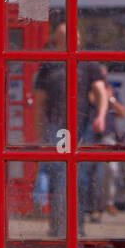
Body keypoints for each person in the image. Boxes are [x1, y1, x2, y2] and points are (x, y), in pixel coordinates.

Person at [31, 22, 109, 237]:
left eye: (74, 36)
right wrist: (39, 132)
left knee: (79, 177)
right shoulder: (48, 66)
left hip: (81, 126)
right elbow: (40, 102)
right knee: (58, 175)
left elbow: (101, 91)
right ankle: (58, 226)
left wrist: (101, 116)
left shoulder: (88, 63)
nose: (72, 40)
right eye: (66, 36)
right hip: (56, 126)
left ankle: (77, 227)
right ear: (57, 40)